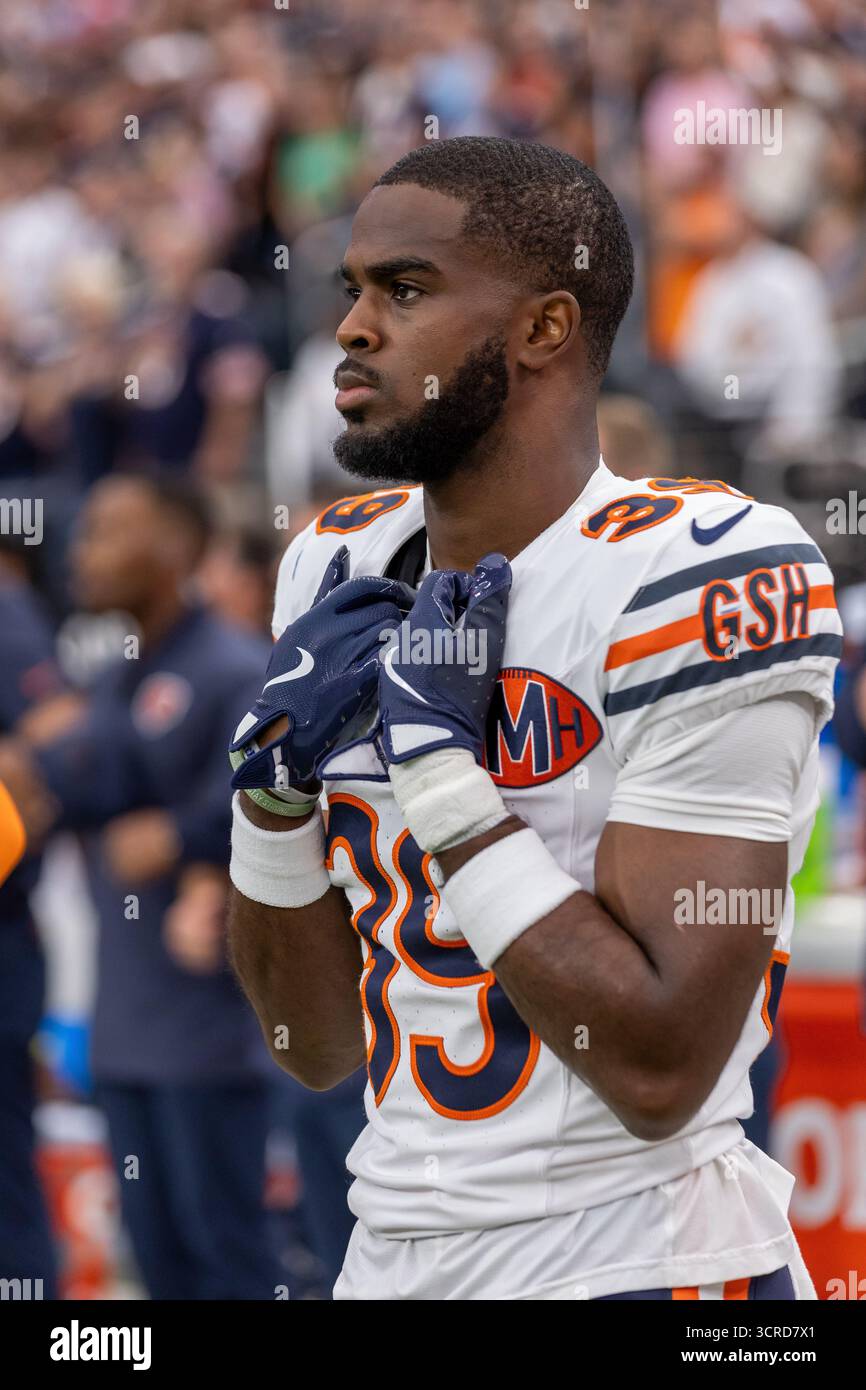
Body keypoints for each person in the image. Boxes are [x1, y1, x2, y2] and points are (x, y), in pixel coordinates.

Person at [227, 136, 841, 1301]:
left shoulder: (703, 569)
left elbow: (658, 1065)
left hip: (637, 1255)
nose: (353, 329)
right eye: (351, 291)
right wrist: (268, 799)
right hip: (391, 1249)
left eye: (402, 290)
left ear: (544, 328)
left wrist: (445, 781)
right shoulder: (333, 562)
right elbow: (311, 1049)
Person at [2, 474, 282, 1299]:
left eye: (108, 533)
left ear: (176, 547)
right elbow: (68, 775)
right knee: (157, 1269)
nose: (82, 553)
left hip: (208, 1033)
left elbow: (284, 785)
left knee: (225, 1261)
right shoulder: (120, 675)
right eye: (83, 533)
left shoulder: (232, 667)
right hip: (126, 1030)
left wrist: (185, 839)